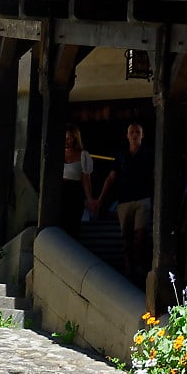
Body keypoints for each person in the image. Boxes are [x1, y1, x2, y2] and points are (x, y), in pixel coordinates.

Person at [96, 120, 153, 283]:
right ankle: (129, 267)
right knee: (126, 236)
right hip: (125, 199)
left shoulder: (148, 153)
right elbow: (111, 177)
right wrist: (101, 199)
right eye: (132, 132)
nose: (135, 135)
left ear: (142, 135)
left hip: (143, 197)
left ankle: (139, 264)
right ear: (127, 136)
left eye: (137, 132)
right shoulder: (121, 155)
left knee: (141, 234)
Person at [60, 125, 96, 231]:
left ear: (75, 138)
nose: (66, 141)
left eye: (69, 138)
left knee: (73, 224)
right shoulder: (56, 154)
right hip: (59, 192)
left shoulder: (83, 155)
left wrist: (89, 198)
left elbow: (86, 179)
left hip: (74, 192)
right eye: (65, 138)